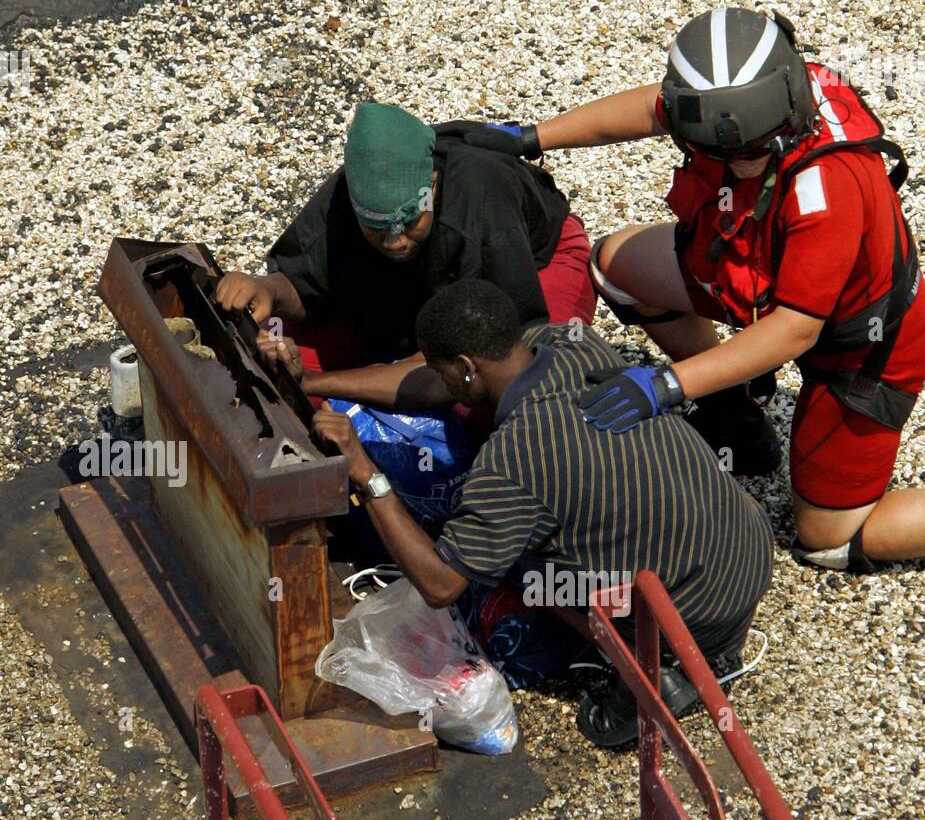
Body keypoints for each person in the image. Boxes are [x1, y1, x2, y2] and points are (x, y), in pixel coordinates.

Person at [462, 7, 925, 571]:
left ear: (782, 116)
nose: (734, 165)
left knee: (826, 542)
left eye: (748, 153)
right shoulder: (766, 89)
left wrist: (666, 385)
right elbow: (655, 108)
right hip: (756, 272)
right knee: (616, 265)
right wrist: (528, 137)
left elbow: (793, 330)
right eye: (717, 151)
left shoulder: (827, 191)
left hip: (860, 348)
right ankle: (735, 419)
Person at [310, 279, 775, 747]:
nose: (439, 383)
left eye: (443, 372)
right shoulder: (569, 345)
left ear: (468, 367)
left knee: (520, 567)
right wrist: (314, 382)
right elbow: (436, 386)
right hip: (746, 555)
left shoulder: (513, 462)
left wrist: (367, 473)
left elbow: (439, 585)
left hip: (690, 621)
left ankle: (645, 670)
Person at [214, 102, 596, 411]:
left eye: (409, 222)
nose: (395, 242)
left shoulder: (479, 203)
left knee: (504, 396)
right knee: (268, 349)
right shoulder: (344, 203)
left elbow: (479, 363)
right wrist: (267, 288)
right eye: (377, 230)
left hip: (539, 262)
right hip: (416, 287)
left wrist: (314, 384)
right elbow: (307, 283)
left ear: (431, 186)